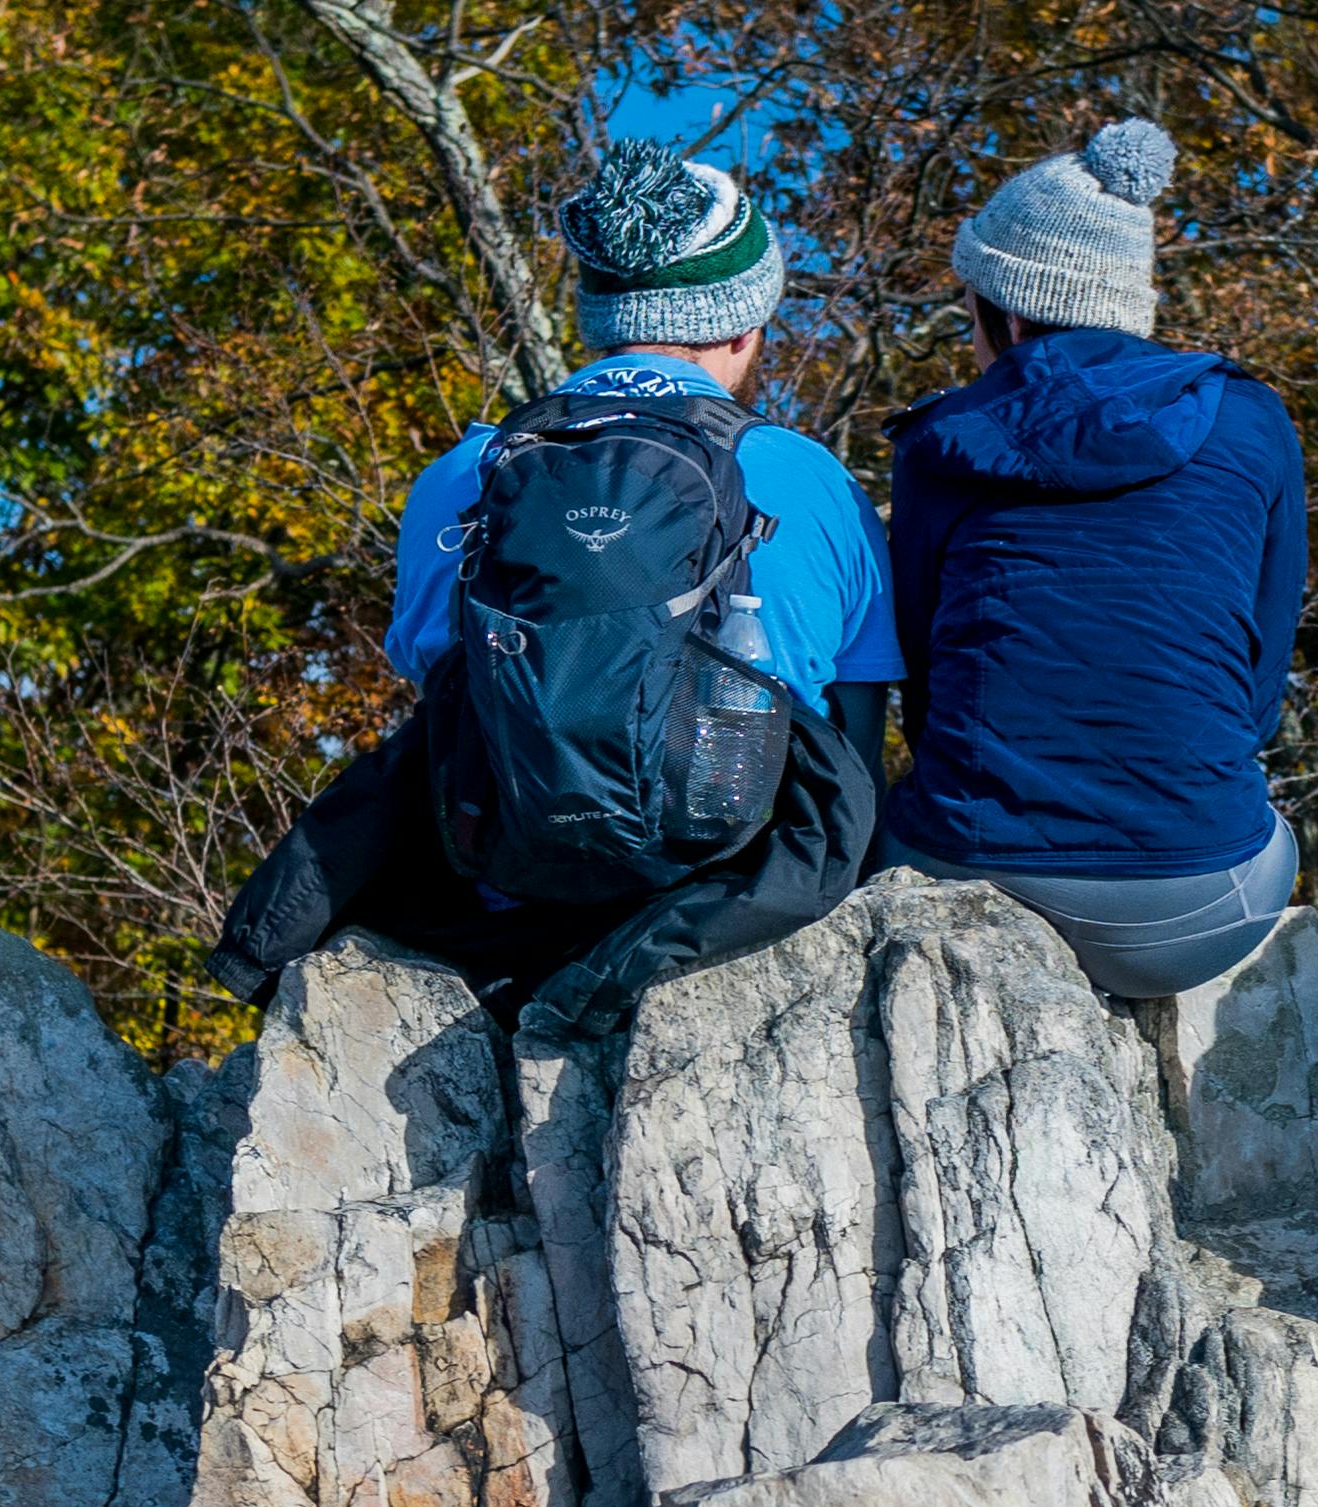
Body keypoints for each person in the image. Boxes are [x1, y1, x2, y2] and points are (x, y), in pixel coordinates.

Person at [204, 144, 894, 1031]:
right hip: (732, 881)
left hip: (499, 879)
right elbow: (856, 727)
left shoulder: (465, 473)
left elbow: (436, 677)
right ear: (743, 327)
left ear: (594, 319)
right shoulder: (812, 479)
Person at [881, 117, 1309, 998]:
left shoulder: (941, 441)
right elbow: (1260, 690)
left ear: (1002, 307)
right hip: (1197, 910)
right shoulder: (1250, 417)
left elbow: (923, 684)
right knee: (1270, 835)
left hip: (969, 876)